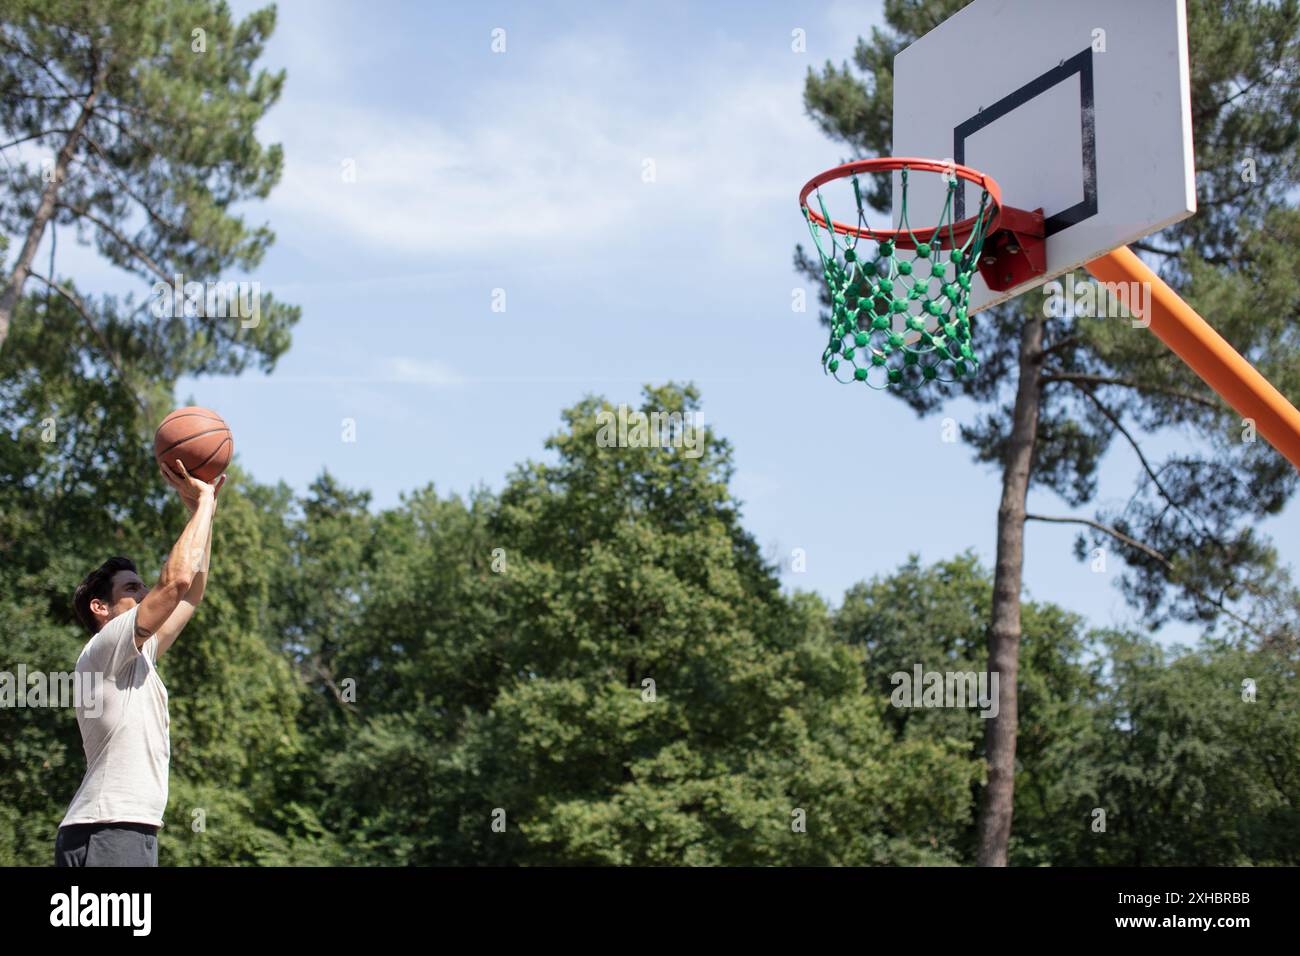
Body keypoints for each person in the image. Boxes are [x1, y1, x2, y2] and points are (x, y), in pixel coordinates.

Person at [54, 460, 224, 867]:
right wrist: (201, 504)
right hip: (109, 827)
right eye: (132, 588)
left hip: (125, 827)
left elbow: (192, 592)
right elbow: (176, 582)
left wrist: (205, 511)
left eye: (142, 585)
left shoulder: (135, 655)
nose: (144, 592)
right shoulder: (105, 645)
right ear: (101, 607)